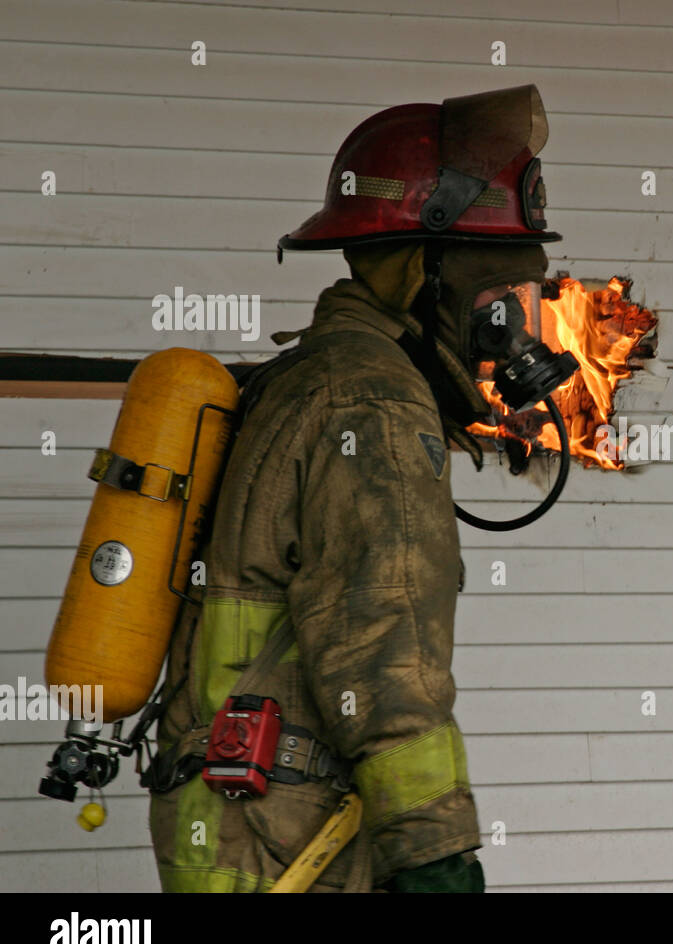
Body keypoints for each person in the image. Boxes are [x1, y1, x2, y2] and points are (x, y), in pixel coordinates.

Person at [144, 85, 565, 892]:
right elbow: (381, 648)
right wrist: (438, 853)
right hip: (294, 847)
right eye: (493, 298)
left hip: (236, 821)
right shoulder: (370, 402)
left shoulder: (306, 376)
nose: (504, 329)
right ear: (421, 267)